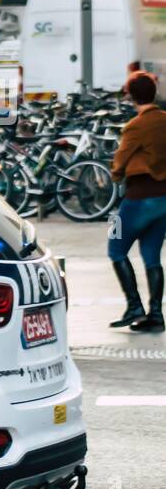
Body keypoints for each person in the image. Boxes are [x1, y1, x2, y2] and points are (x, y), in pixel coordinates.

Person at [108, 70, 166, 332]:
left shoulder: (135, 126)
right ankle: (155, 314)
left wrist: (116, 173)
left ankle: (134, 306)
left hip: (137, 198)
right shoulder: (164, 120)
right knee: (152, 255)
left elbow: (120, 162)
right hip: (163, 199)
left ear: (131, 95)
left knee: (115, 246)